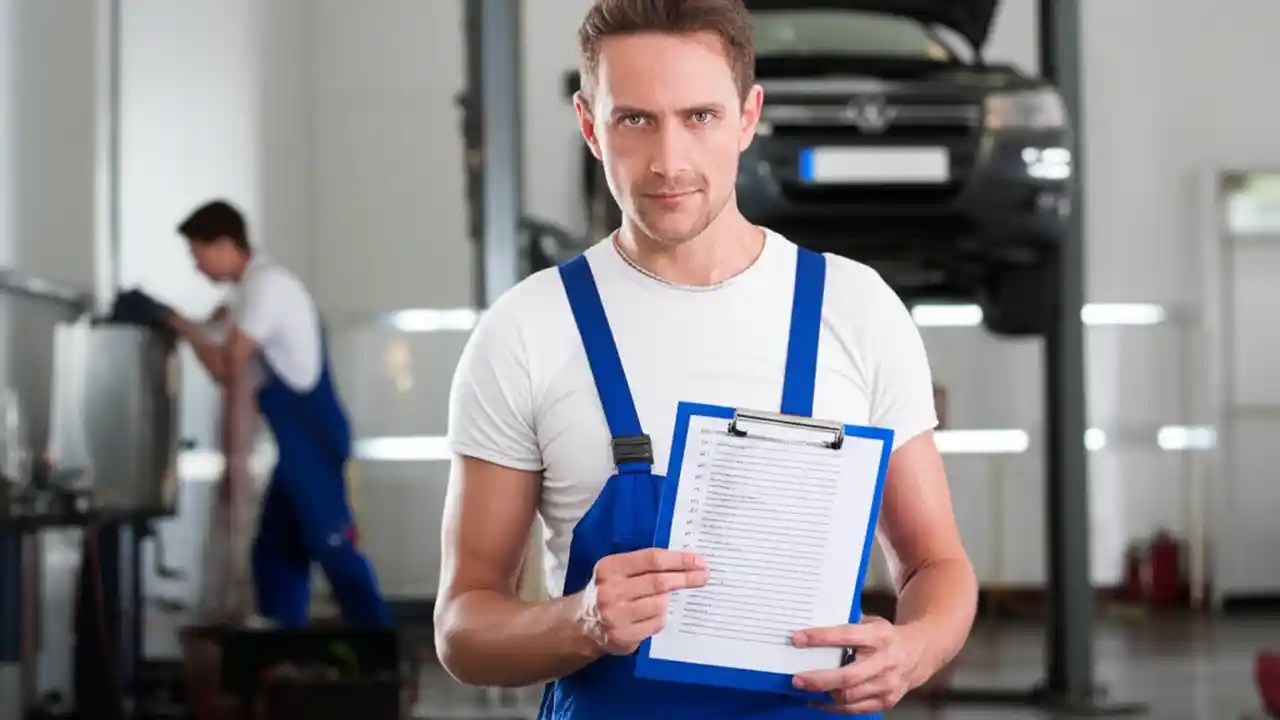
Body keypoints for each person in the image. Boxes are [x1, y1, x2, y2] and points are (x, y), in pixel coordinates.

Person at [435, 0, 977, 717]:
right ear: (590, 124)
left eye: (700, 117)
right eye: (636, 119)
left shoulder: (854, 310)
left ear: (748, 116)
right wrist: (583, 622)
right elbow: (462, 626)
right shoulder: (528, 330)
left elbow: (937, 565)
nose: (668, 161)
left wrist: (916, 650)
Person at [141, 199, 392, 629]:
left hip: (313, 441)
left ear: (223, 245)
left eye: (197, 253)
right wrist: (194, 327)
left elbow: (228, 367)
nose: (196, 266)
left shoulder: (266, 287)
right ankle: (280, 654)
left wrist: (179, 325)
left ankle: (381, 655)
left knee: (335, 549)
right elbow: (224, 345)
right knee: (275, 555)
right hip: (295, 446)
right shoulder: (249, 291)